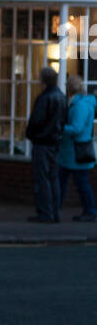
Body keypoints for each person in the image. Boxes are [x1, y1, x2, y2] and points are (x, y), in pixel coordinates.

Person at [25, 66, 67, 222]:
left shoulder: (44, 98)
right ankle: (55, 212)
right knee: (53, 178)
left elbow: (36, 120)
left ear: (43, 80)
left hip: (42, 142)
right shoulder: (62, 97)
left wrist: (30, 134)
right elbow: (63, 121)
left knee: (42, 178)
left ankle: (45, 213)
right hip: (55, 142)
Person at [57, 74, 97, 222]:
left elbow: (76, 128)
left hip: (76, 152)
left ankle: (90, 211)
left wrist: (59, 128)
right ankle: (55, 208)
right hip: (72, 152)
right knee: (65, 181)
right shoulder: (81, 102)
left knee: (81, 183)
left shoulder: (80, 105)